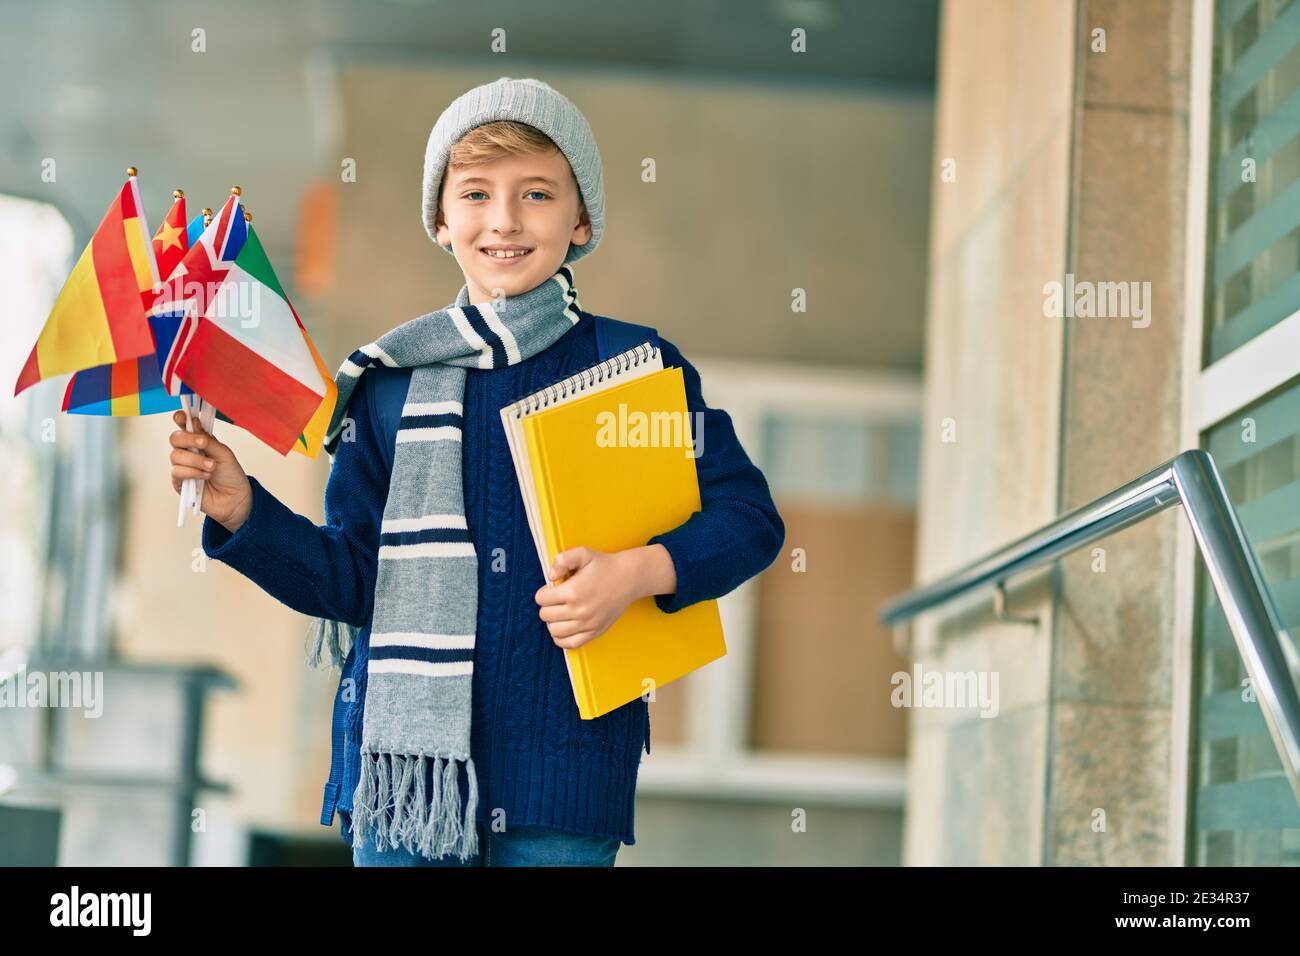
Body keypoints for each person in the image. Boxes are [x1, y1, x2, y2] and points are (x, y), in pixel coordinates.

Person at [167, 77, 785, 867]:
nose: (504, 220)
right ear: (441, 218)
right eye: (475, 195)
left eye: (536, 193)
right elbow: (355, 584)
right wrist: (242, 511)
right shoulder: (387, 383)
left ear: (581, 216)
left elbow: (750, 520)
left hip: (560, 783)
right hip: (402, 788)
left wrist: (637, 573)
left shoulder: (631, 366)